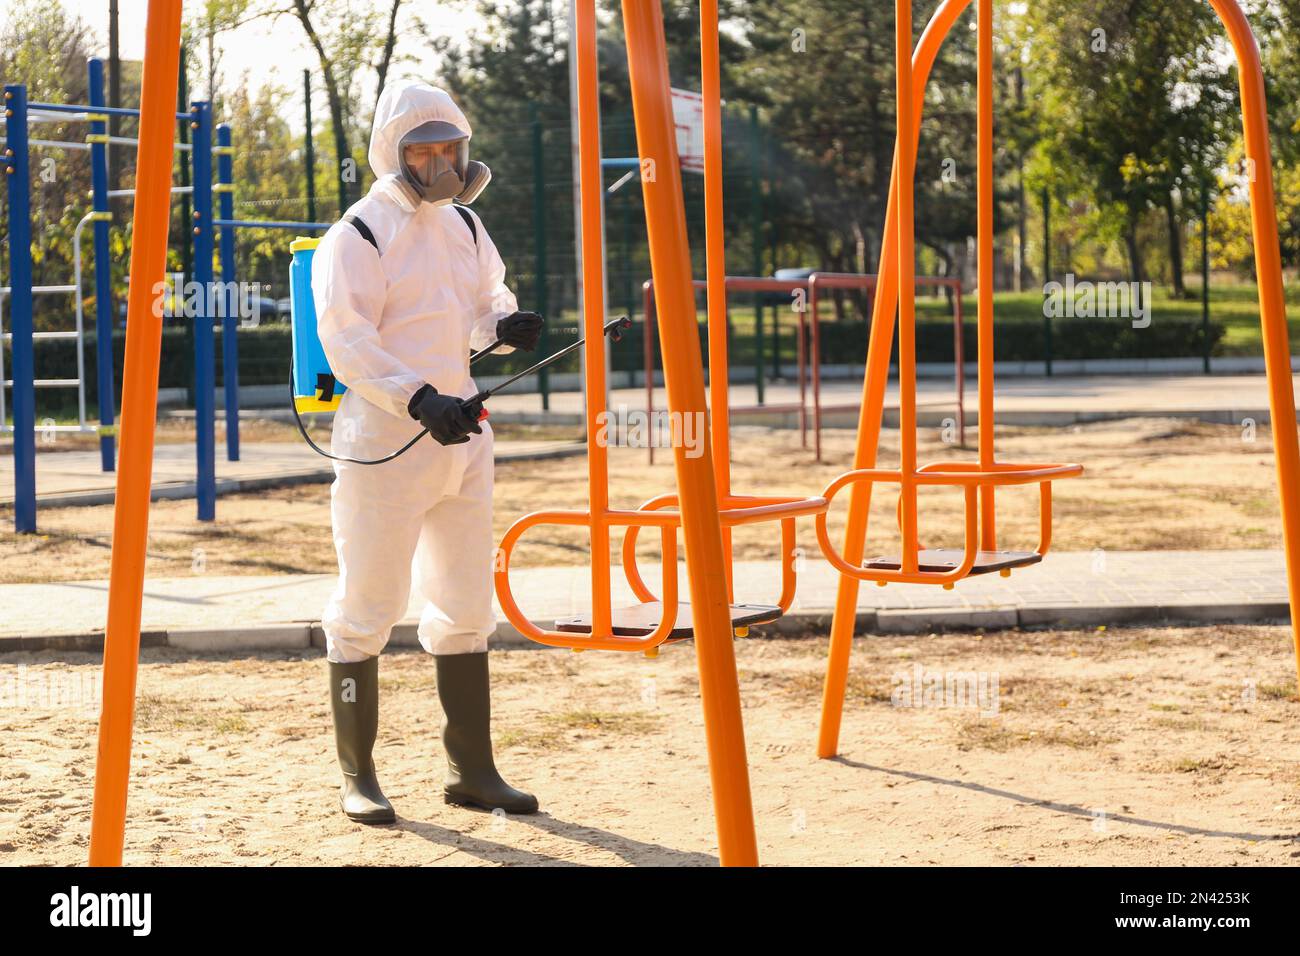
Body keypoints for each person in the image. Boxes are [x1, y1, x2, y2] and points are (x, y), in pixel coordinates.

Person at [311, 80, 543, 824]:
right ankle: (360, 775)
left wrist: (505, 326)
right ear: (394, 152)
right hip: (385, 443)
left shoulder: (465, 226)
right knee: (368, 608)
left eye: (451, 147)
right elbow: (348, 341)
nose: (442, 161)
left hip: (463, 439)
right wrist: (416, 399)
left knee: (467, 603)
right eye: (425, 149)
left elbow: (478, 307)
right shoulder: (358, 233)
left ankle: (472, 770)